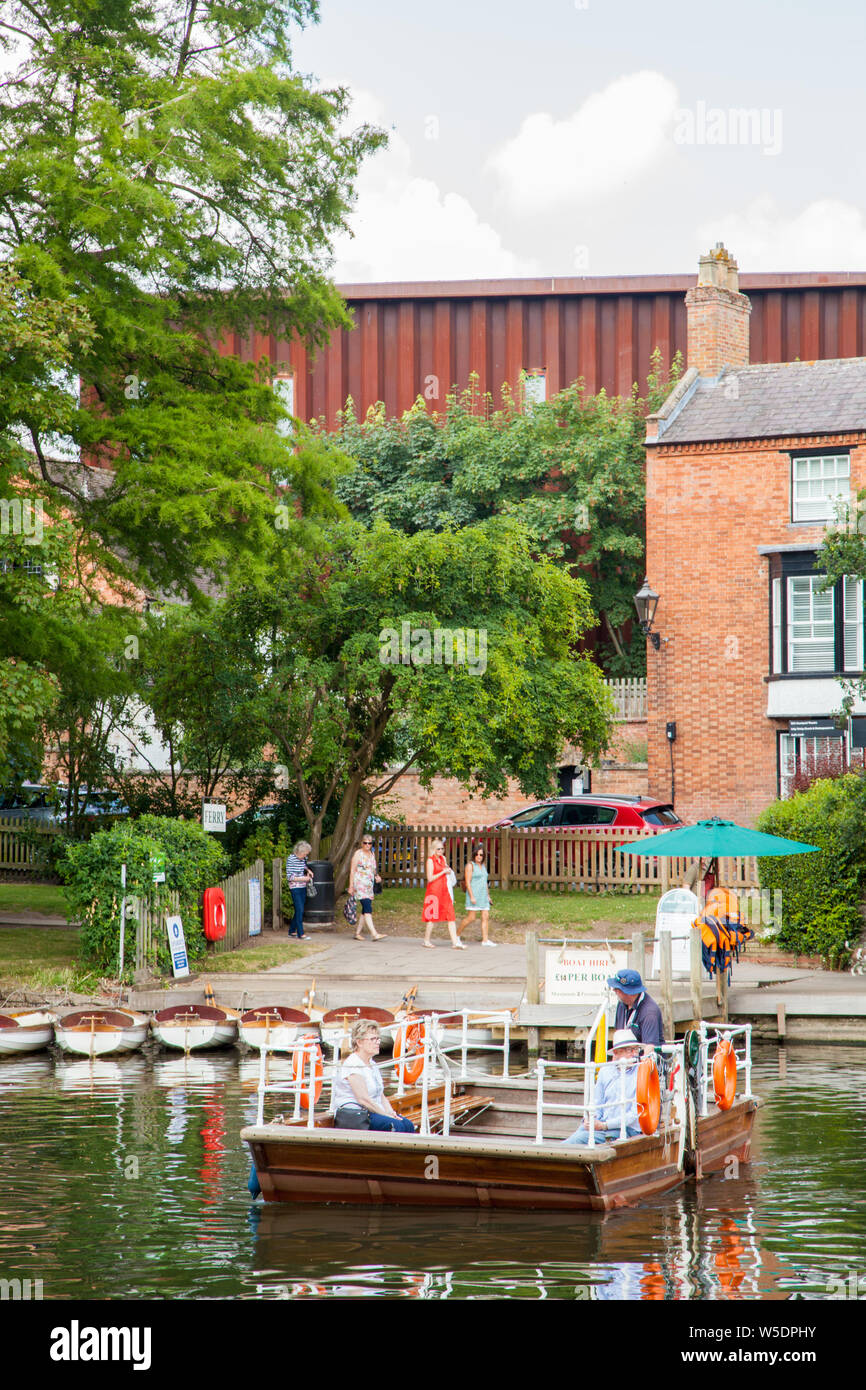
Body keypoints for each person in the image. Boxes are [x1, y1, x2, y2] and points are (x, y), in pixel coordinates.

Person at [332, 1019, 416, 1132]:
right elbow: (364, 1100)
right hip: (356, 1115)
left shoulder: (372, 1064)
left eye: (378, 1038)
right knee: (397, 1126)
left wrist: (391, 1112)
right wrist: (386, 1115)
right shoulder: (353, 1064)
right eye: (373, 1039)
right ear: (359, 1042)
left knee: (408, 1125)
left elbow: (380, 1095)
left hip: (371, 1112)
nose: (377, 1042)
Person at [563, 1029, 642, 1145]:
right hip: (604, 1125)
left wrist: (604, 1125)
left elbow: (634, 1115)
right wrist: (591, 1120)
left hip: (626, 1129)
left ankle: (552, 1154)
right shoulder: (605, 1071)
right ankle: (554, 1154)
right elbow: (597, 1103)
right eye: (630, 1050)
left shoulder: (641, 1073)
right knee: (581, 1130)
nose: (635, 1054)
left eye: (636, 1049)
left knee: (580, 1139)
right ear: (616, 1053)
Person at [422, 837, 464, 949]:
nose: (440, 851)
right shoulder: (430, 860)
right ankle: (426, 940)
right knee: (432, 917)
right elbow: (430, 878)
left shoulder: (443, 859)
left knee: (451, 916)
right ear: (433, 850)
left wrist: (447, 870)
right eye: (438, 849)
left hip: (445, 890)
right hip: (434, 891)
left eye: (442, 849)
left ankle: (455, 942)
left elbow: (445, 870)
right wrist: (442, 872)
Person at [607, 968, 665, 1046]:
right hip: (626, 1055)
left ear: (629, 992)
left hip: (644, 1056)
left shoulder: (649, 1013)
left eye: (617, 988)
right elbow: (618, 1036)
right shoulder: (621, 1004)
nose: (614, 990)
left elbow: (649, 1049)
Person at [348, 834, 385, 941]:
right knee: (368, 907)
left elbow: (373, 869)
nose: (367, 845)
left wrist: (377, 876)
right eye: (365, 843)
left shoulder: (372, 853)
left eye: (369, 843)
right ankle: (374, 933)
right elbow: (352, 870)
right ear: (361, 843)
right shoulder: (358, 854)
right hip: (359, 883)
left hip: (369, 884)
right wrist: (351, 886)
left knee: (365, 909)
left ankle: (357, 933)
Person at [458, 846, 496, 945]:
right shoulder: (470, 866)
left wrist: (488, 896)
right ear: (474, 854)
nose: (479, 856)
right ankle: (456, 935)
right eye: (477, 854)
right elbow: (467, 882)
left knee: (485, 917)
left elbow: (485, 882)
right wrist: (471, 896)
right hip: (474, 895)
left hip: (483, 895)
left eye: (481, 855)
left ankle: (485, 940)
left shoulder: (483, 866)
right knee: (471, 918)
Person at [285, 841, 314, 940]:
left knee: (299, 909)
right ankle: (300, 933)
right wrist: (304, 879)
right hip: (295, 887)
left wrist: (308, 870)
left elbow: (304, 866)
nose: (306, 856)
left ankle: (292, 931)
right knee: (300, 909)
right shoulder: (291, 859)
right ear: (299, 851)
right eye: (305, 853)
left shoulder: (304, 858)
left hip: (303, 886)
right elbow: (290, 877)